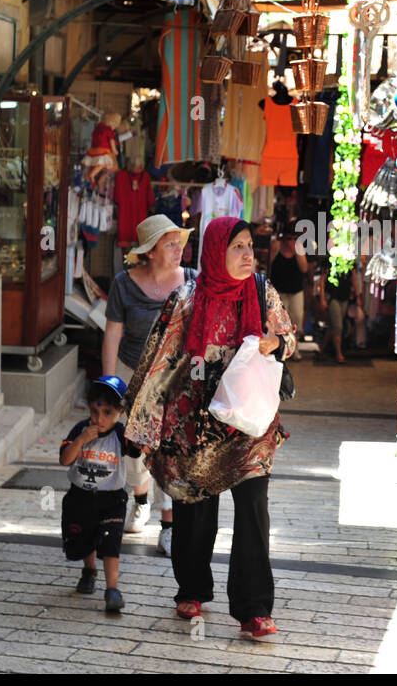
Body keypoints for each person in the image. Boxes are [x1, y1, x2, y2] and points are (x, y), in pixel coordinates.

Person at [123, 217, 296, 639]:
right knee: (194, 507)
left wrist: (277, 344)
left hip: (249, 425)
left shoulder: (261, 291)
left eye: (249, 247)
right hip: (195, 424)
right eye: (236, 247)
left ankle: (254, 608)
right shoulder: (186, 300)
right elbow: (158, 362)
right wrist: (141, 424)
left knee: (254, 508)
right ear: (216, 252)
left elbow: (289, 337)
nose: (246, 255)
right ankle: (193, 587)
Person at [103, 215, 194, 552]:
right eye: (170, 244)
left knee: (167, 449)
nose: (178, 249)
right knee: (134, 449)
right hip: (132, 374)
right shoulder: (124, 284)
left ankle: (167, 521)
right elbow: (113, 332)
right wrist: (109, 384)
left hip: (174, 379)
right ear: (151, 251)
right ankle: (140, 499)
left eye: (179, 242)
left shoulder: (192, 281)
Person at [59, 376, 137, 615]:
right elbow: (65, 459)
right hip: (80, 497)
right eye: (95, 411)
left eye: (108, 413)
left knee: (111, 543)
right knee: (85, 540)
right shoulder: (80, 430)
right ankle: (89, 570)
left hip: (113, 500)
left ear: (120, 413)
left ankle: (112, 590)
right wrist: (81, 440)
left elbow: (137, 450)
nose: (100, 419)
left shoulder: (121, 434)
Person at [268, 231, 308, 359]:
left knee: (296, 319)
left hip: (296, 291)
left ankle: (294, 348)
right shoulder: (277, 247)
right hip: (279, 292)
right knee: (280, 322)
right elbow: (268, 264)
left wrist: (296, 251)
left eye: (293, 237)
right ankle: (280, 349)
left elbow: (304, 268)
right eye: (288, 237)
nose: (291, 240)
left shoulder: (299, 248)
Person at [320, 259, 360, 363]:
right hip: (333, 297)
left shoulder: (350, 260)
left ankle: (322, 348)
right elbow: (322, 280)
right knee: (338, 326)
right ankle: (339, 354)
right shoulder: (330, 259)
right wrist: (322, 298)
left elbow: (354, 278)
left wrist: (357, 295)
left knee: (334, 325)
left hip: (345, 296)